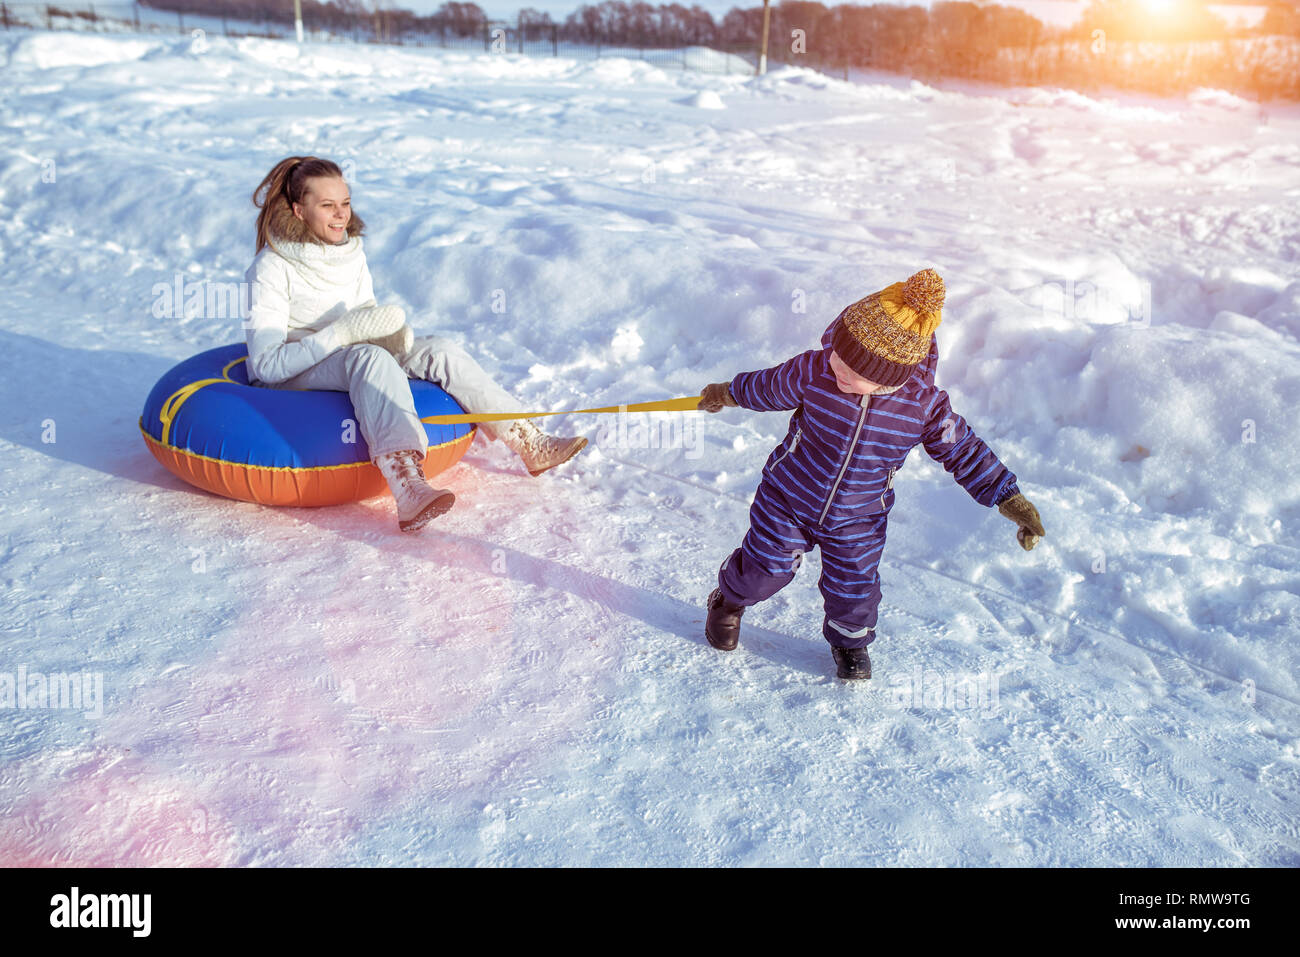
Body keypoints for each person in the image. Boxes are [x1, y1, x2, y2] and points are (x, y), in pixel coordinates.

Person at [697, 268, 1045, 680]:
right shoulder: (816, 370)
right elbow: (768, 386)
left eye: (851, 370)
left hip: (859, 515)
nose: (837, 368)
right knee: (764, 571)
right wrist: (727, 392)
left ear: (889, 376)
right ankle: (729, 600)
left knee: (855, 589)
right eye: (837, 356)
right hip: (788, 497)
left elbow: (964, 450)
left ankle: (849, 642)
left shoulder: (923, 407)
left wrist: (1009, 497)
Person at [243, 156, 586, 532]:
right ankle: (407, 486)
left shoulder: (348, 252)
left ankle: (526, 439)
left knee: (438, 349)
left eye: (345, 202)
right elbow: (265, 367)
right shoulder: (270, 269)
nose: (340, 215)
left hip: (349, 352)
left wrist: (388, 335)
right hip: (295, 373)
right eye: (327, 205)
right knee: (369, 359)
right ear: (298, 209)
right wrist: (342, 334)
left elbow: (364, 316)